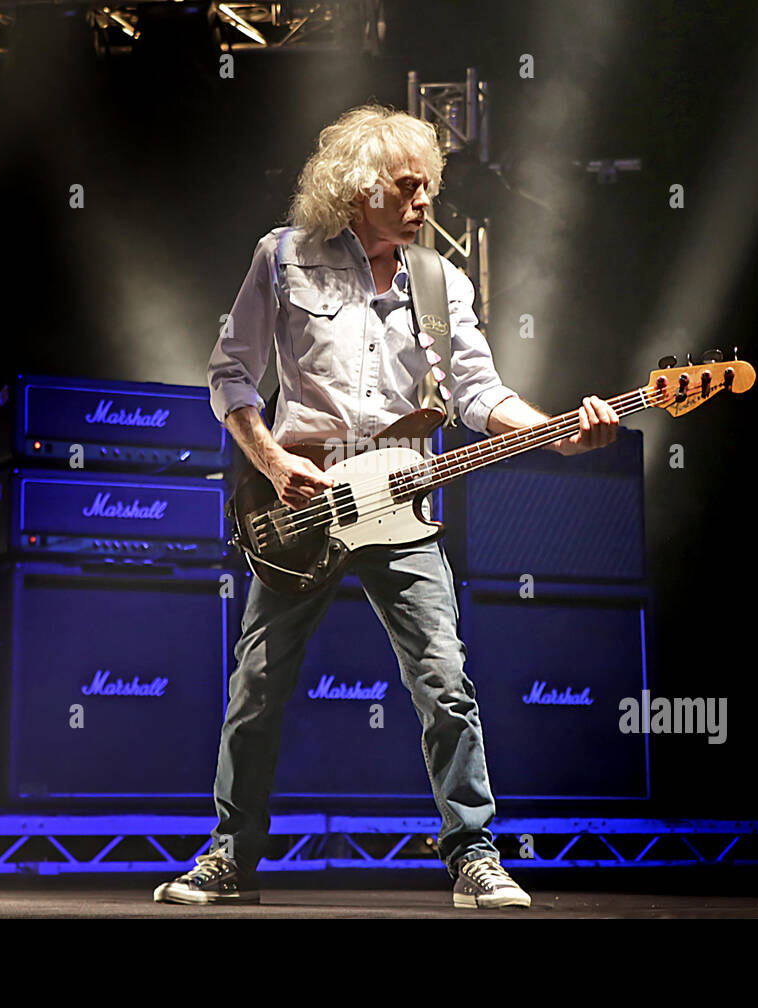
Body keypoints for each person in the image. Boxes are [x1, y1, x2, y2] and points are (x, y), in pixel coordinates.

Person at [154, 104, 618, 910]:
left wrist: (556, 434)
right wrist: (273, 459)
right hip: (299, 505)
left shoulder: (442, 283)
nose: (425, 201)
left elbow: (478, 394)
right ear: (359, 187)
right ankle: (229, 856)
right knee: (258, 685)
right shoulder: (284, 257)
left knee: (446, 680)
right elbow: (230, 374)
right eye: (408, 186)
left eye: (430, 186)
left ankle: (474, 856)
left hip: (402, 507)